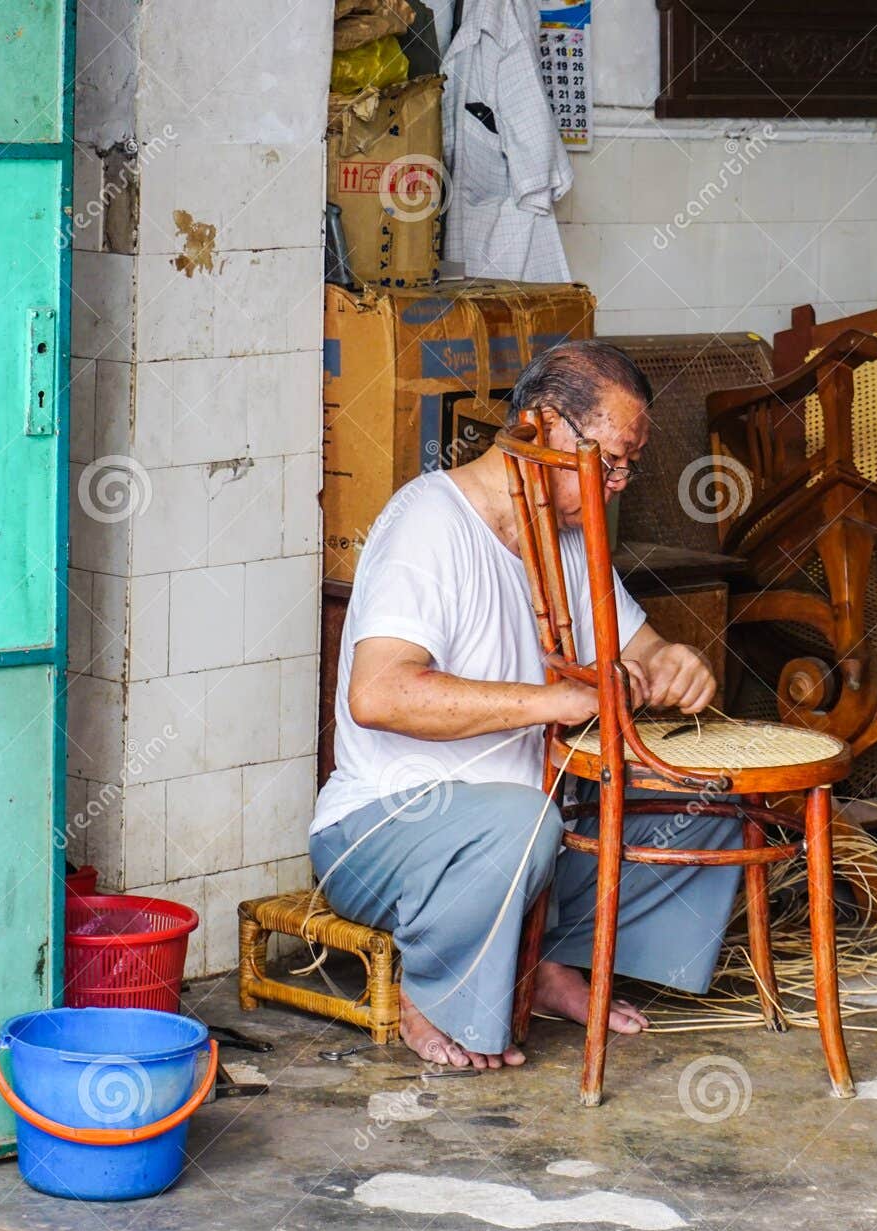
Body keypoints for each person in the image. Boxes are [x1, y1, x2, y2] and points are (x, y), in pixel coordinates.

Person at [308, 341, 742, 1069]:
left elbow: (645, 649)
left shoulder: (570, 537)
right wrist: (553, 701)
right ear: (542, 426)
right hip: (382, 827)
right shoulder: (429, 522)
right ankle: (434, 988)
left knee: (712, 798)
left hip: (523, 831)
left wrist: (678, 664)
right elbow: (377, 693)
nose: (619, 483)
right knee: (525, 822)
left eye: (629, 466)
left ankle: (544, 960)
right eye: (609, 462)